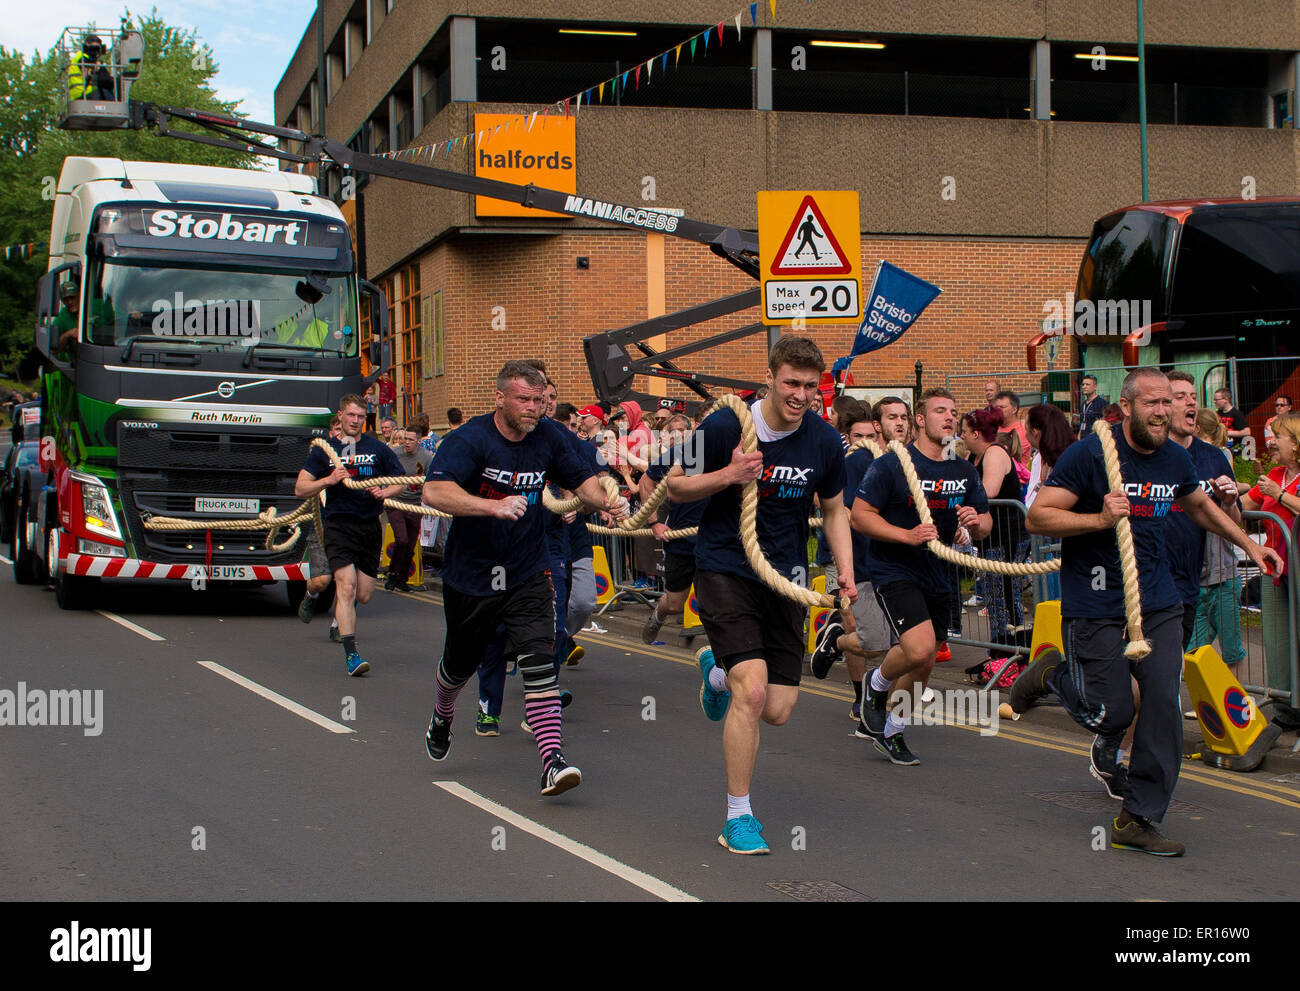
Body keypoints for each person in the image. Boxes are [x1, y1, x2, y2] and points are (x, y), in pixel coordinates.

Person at [1021, 368, 1282, 856]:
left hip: (1157, 599)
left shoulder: (1173, 459)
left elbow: (1200, 507)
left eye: (1168, 403)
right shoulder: (1092, 454)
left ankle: (1138, 817)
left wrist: (1251, 545)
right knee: (1113, 710)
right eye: (1152, 404)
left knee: (1162, 702)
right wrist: (1099, 517)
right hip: (1097, 601)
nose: (1163, 412)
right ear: (1126, 408)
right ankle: (1052, 675)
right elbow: (1039, 515)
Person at [666, 336, 855, 855]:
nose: (800, 395)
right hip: (727, 564)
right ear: (770, 376)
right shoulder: (728, 424)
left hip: (786, 577)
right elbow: (673, 487)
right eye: (791, 383)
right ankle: (738, 816)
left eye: (810, 387)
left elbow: (836, 509)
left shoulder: (822, 440)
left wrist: (845, 571)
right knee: (751, 693)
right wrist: (730, 474)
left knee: (777, 708)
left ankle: (714, 669)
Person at [421, 360, 627, 797]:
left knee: (539, 659)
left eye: (539, 400)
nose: (534, 409)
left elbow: (583, 481)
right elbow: (434, 491)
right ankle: (442, 713)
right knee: (459, 664)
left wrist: (607, 502)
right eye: (524, 400)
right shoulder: (470, 438)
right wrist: (491, 506)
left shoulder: (549, 437)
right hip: (472, 574)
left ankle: (552, 762)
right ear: (500, 398)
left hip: (527, 569)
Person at [852, 389, 993, 765]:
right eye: (940, 411)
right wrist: (907, 535)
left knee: (926, 662)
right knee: (919, 649)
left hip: (938, 573)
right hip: (894, 568)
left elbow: (986, 521)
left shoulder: (962, 469)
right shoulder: (893, 463)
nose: (949, 418)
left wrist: (975, 524)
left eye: (953, 411)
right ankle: (877, 683)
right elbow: (860, 515)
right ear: (919, 419)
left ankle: (893, 731)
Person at [296, 395, 406, 676]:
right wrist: (328, 480)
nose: (356, 421)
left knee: (365, 594)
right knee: (345, 587)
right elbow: (300, 488)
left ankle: (339, 621)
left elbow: (401, 481)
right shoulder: (326, 451)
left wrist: (385, 492)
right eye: (351, 415)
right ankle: (351, 656)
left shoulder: (377, 448)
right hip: (339, 525)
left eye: (360, 416)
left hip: (369, 526)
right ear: (341, 416)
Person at [810, 403, 897, 723]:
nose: (866, 440)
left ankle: (838, 643)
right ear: (847, 437)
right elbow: (826, 500)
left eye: (871, 435)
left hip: (880, 558)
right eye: (858, 435)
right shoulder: (844, 461)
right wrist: (858, 518)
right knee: (856, 626)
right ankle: (860, 695)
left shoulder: (884, 462)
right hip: (845, 554)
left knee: (879, 638)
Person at [1164, 371, 1243, 651]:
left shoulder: (1214, 458)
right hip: (1157, 581)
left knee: (1190, 659)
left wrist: (1228, 502)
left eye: (1194, 397)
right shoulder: (1148, 455)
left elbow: (1236, 525)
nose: (1191, 403)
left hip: (1205, 579)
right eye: (1180, 397)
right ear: (1163, 405)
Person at [1239, 411, 1300, 717]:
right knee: (1277, 640)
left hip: (1299, 568)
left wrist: (1281, 496)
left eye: (1279, 436)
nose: (1271, 442)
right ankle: (1285, 709)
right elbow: (1243, 508)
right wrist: (1224, 499)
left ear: (1297, 442)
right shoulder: (1274, 475)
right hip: (1275, 568)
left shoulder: (1280, 484)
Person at [960, 407, 1025, 664]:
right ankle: (998, 649)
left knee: (1006, 594)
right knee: (992, 594)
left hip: (1007, 534)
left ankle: (1011, 649)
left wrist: (960, 495)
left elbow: (990, 490)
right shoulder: (973, 456)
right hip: (988, 537)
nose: (961, 436)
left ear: (976, 433)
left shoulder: (995, 453)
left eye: (964, 431)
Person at [640, 418, 707, 645]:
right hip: (681, 539)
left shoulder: (733, 454)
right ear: (699, 427)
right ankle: (658, 615)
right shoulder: (680, 453)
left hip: (715, 541)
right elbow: (645, 483)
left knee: (715, 603)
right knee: (675, 603)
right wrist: (654, 522)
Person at [1189, 409, 1245, 677]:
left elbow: (1235, 514)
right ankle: (1208, 704)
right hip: (1194, 577)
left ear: (1197, 426)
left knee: (1231, 650)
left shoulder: (1219, 456)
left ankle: (1233, 710)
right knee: (1195, 651)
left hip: (1222, 572)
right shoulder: (1178, 456)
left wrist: (1229, 498)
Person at [386, 428, 428, 592]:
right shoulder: (394, 453)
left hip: (414, 503)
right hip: (396, 502)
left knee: (410, 545)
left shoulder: (426, 457)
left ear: (418, 441)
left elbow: (431, 479)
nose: (407, 443)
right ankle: (392, 573)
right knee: (401, 539)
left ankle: (402, 578)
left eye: (411, 440)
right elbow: (384, 473)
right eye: (405, 439)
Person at [68, 34, 115, 101]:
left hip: (79, 94)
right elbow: (104, 80)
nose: (96, 51)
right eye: (94, 47)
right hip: (85, 92)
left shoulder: (79, 57)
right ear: (87, 44)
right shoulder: (83, 58)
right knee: (109, 94)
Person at [993, 390, 1032, 468]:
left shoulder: (1023, 431)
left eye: (1002, 407)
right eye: (996, 407)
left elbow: (1007, 456)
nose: (998, 410)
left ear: (1014, 409)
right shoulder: (993, 428)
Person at [1213, 388, 1251, 453]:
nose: (1214, 402)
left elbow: (1247, 432)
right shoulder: (1216, 414)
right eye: (1214, 400)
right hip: (1221, 449)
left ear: (1226, 400)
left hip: (1235, 449)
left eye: (1216, 400)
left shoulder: (1236, 414)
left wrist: (1227, 433)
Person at [52, 280, 81, 353]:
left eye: (72, 297)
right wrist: (67, 335)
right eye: (66, 299)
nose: (69, 302)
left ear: (80, 295)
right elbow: (52, 350)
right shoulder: (62, 317)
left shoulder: (95, 306)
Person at [1078, 374, 1107, 440]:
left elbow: (1106, 425)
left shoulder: (1102, 403)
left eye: (1087, 384)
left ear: (1095, 387)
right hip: (1083, 441)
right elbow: (1082, 422)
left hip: (1095, 441)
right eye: (1083, 384)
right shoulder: (1083, 404)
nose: (1084, 387)